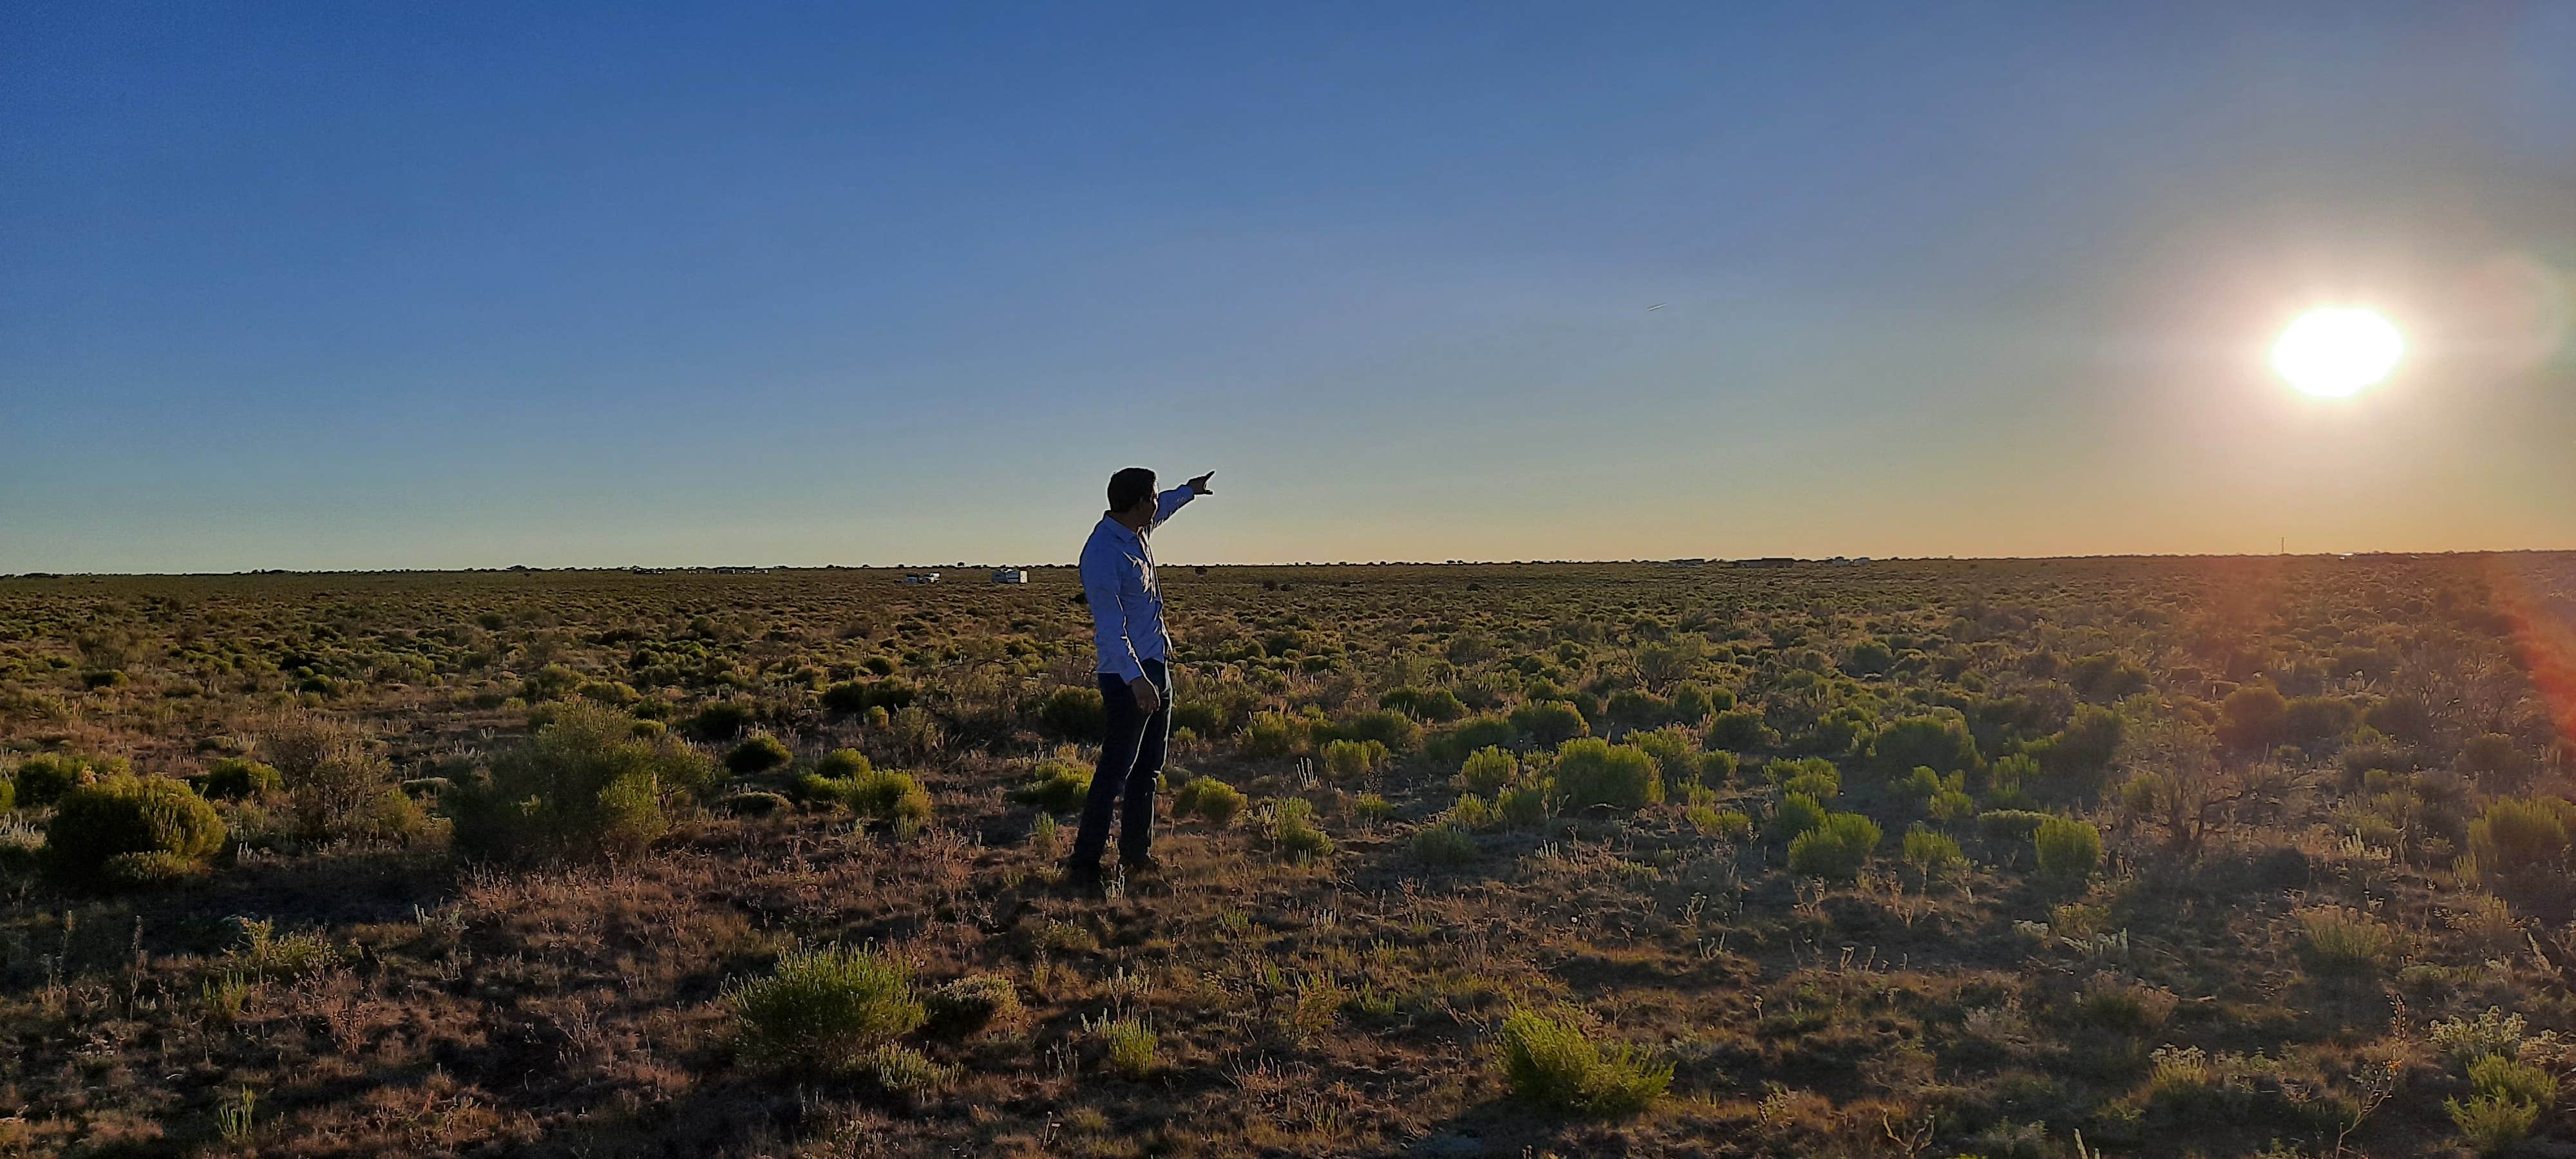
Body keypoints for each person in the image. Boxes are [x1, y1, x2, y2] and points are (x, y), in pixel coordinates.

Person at [1068, 465, 1215, 894]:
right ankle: (1085, 864)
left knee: (1147, 770)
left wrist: (1187, 491)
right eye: (1152, 497)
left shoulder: (1138, 532)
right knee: (1115, 771)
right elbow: (1109, 630)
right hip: (1126, 675)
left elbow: (1166, 508)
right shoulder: (1102, 554)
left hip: (1155, 665)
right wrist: (1137, 680)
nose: (1157, 504)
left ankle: (1136, 855)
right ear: (1137, 503)